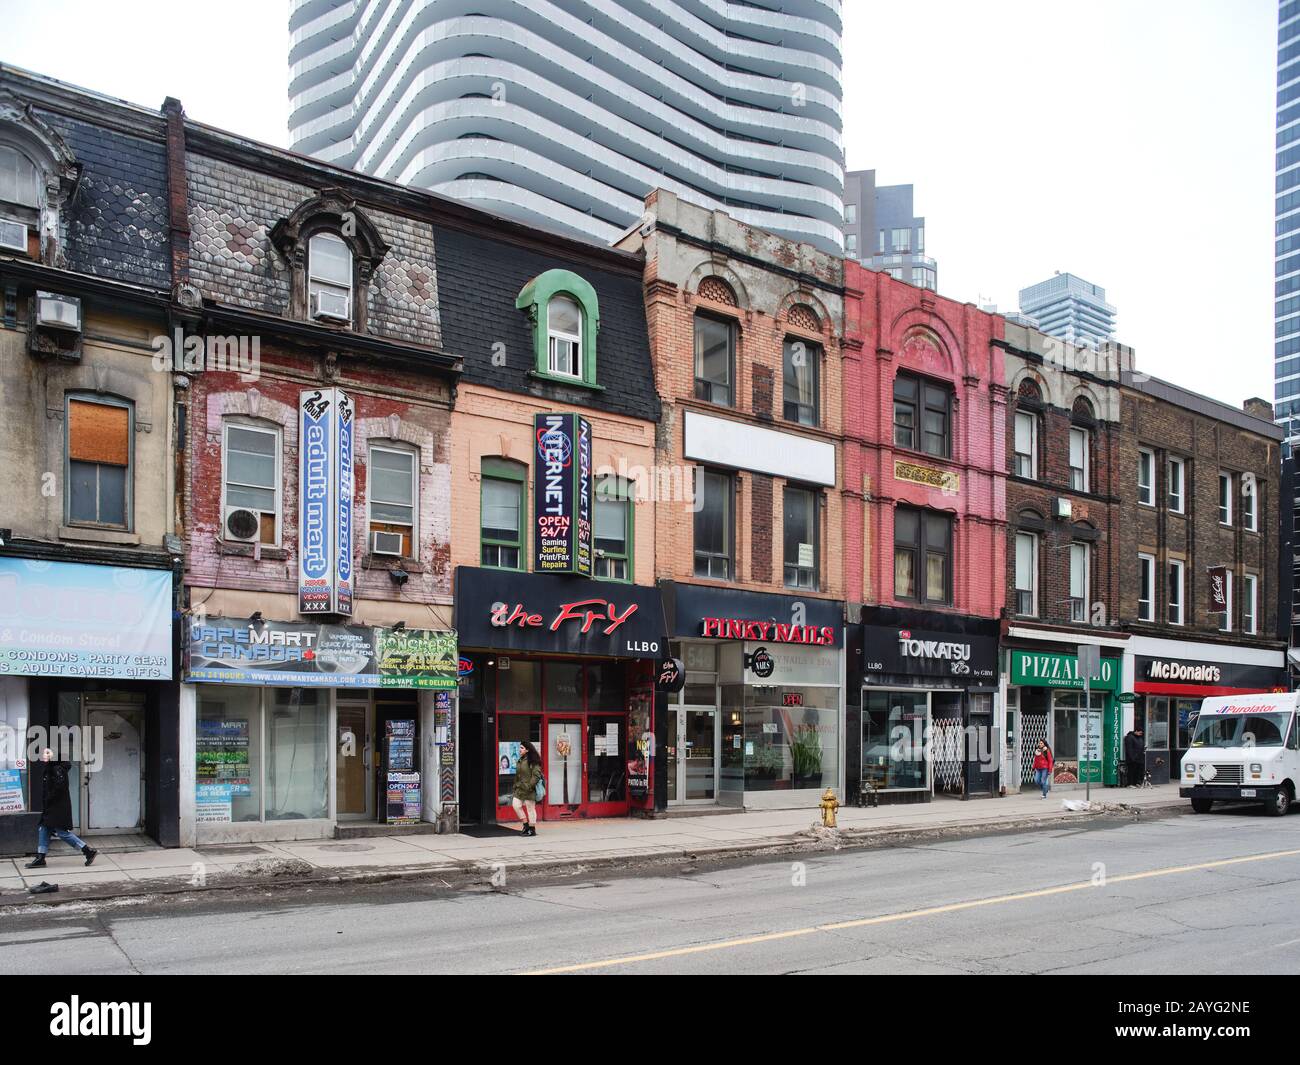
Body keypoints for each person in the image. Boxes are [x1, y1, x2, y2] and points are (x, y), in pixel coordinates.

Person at [25, 748, 97, 868]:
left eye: (47, 754)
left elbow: (59, 788)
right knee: (43, 828)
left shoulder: (57, 769)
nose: (44, 756)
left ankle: (88, 851)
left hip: (58, 807)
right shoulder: (50, 768)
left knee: (62, 832)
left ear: (53, 756)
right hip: (51, 806)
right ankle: (41, 857)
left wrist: (49, 798)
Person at [511, 741, 543, 837]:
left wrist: (530, 786)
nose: (519, 750)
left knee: (530, 809)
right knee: (516, 805)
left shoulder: (533, 761)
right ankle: (526, 826)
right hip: (520, 788)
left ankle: (532, 829)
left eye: (521, 748)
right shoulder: (520, 760)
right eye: (520, 747)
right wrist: (515, 785)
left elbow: (536, 776)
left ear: (527, 750)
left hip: (529, 788)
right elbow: (518, 775)